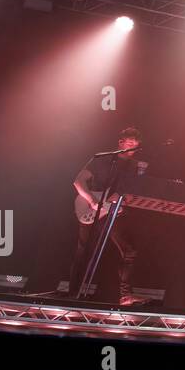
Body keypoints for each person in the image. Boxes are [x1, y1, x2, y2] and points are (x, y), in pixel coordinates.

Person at [71, 126, 148, 307]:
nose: (133, 149)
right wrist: (92, 201)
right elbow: (78, 181)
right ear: (120, 142)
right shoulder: (103, 159)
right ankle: (72, 294)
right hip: (95, 207)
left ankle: (125, 295)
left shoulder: (135, 166)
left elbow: (131, 190)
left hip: (114, 210)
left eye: (136, 146)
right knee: (84, 250)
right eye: (130, 144)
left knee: (130, 251)